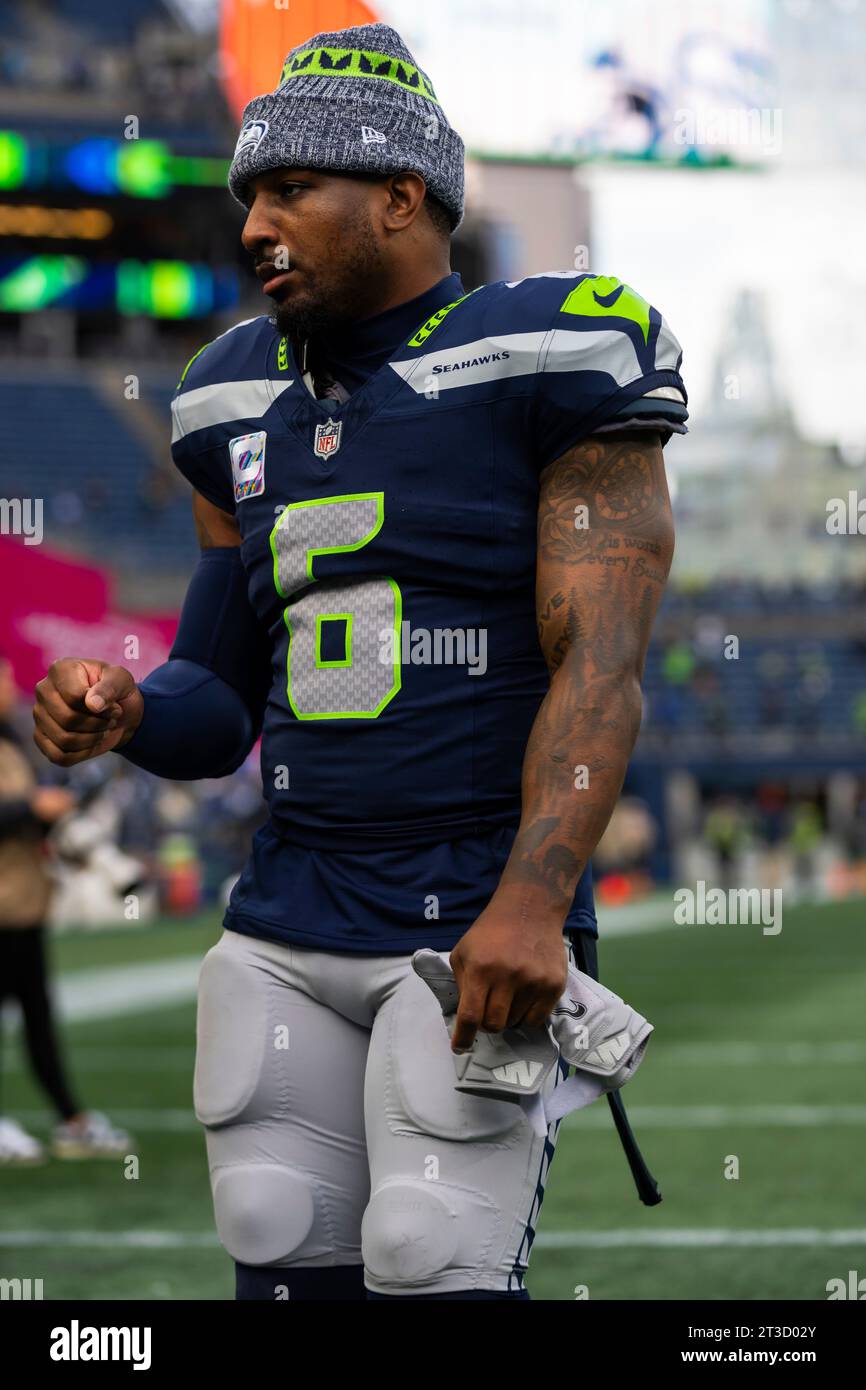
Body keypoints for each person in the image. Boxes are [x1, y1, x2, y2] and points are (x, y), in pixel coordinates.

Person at [33, 22, 686, 1298]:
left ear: (400, 197)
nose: (255, 226)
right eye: (249, 198)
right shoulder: (230, 399)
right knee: (275, 1234)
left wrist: (530, 901)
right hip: (288, 912)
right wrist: (122, 711)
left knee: (426, 1255)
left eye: (289, 190)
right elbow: (216, 697)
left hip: (464, 910)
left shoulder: (545, 354)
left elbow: (597, 663)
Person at [0, 657, 130, 1162]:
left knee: (38, 1018)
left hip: (22, 905)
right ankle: (70, 1118)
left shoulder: (13, 743)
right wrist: (32, 808)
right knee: (34, 1018)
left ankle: (71, 1119)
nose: (10, 687)